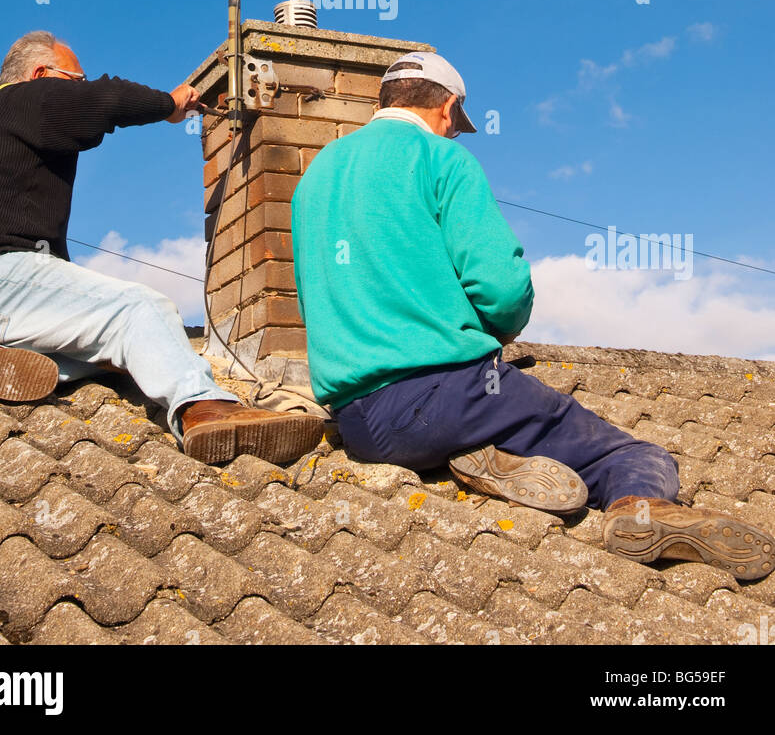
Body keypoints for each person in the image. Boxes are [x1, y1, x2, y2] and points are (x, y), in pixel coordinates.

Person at [291, 51, 775, 581]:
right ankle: (641, 510)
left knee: (482, 423)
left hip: (361, 424)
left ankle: (482, 459)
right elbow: (501, 288)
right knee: (634, 454)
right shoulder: (440, 159)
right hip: (446, 396)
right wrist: (494, 333)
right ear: (448, 108)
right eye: (455, 125)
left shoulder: (314, 178)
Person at [0, 31, 324, 466]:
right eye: (75, 79)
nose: (80, 88)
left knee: (122, 355)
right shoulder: (23, 99)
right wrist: (170, 104)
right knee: (140, 310)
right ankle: (206, 410)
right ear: (40, 74)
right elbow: (105, 99)